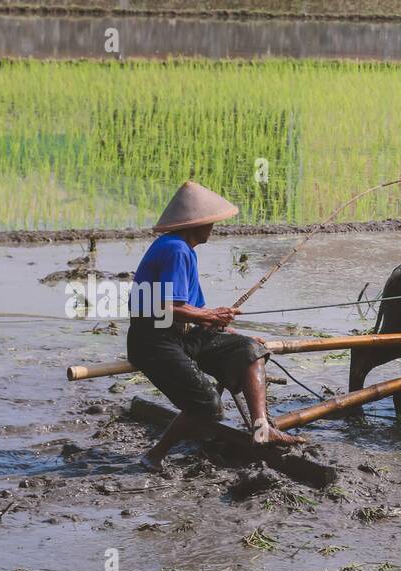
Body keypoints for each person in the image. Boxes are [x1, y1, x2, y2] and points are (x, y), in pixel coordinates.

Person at [126, 181, 302, 471]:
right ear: (196, 223)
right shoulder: (175, 250)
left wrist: (218, 325)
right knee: (206, 406)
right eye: (210, 222)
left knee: (249, 349)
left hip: (184, 334)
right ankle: (153, 456)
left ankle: (262, 427)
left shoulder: (184, 249)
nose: (213, 228)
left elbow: (189, 308)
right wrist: (206, 317)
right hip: (154, 340)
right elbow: (162, 307)